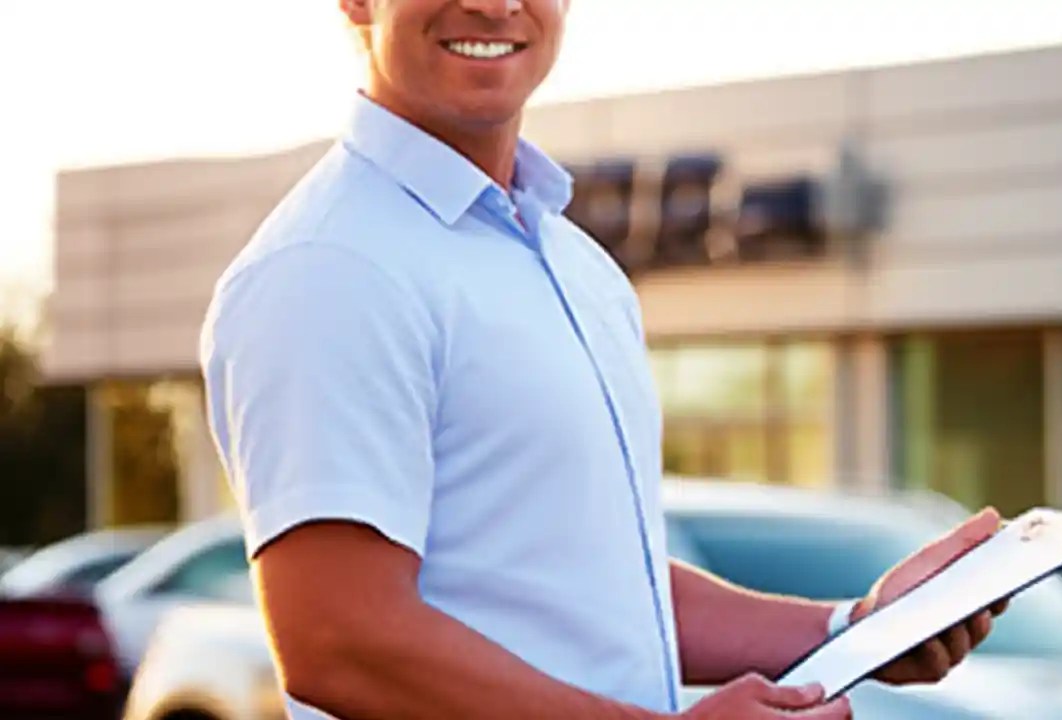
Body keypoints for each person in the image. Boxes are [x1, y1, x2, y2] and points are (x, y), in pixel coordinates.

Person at [199, 1, 1007, 718]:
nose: (491, 6)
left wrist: (859, 630)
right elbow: (340, 640)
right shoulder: (329, 266)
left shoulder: (572, 261)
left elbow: (602, 587)